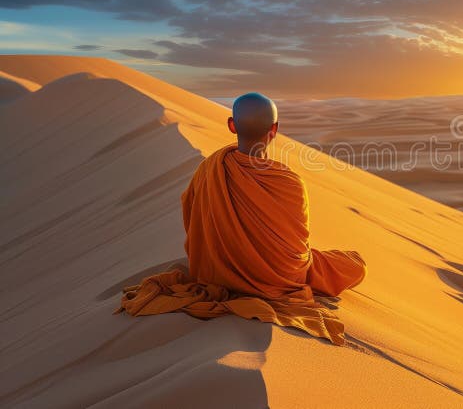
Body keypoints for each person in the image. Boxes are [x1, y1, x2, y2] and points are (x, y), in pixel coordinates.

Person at [117, 93, 366, 345]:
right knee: (354, 264)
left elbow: (192, 217)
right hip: (279, 280)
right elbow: (298, 254)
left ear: (231, 126)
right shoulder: (289, 182)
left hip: (215, 274)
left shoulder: (210, 169)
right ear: (275, 130)